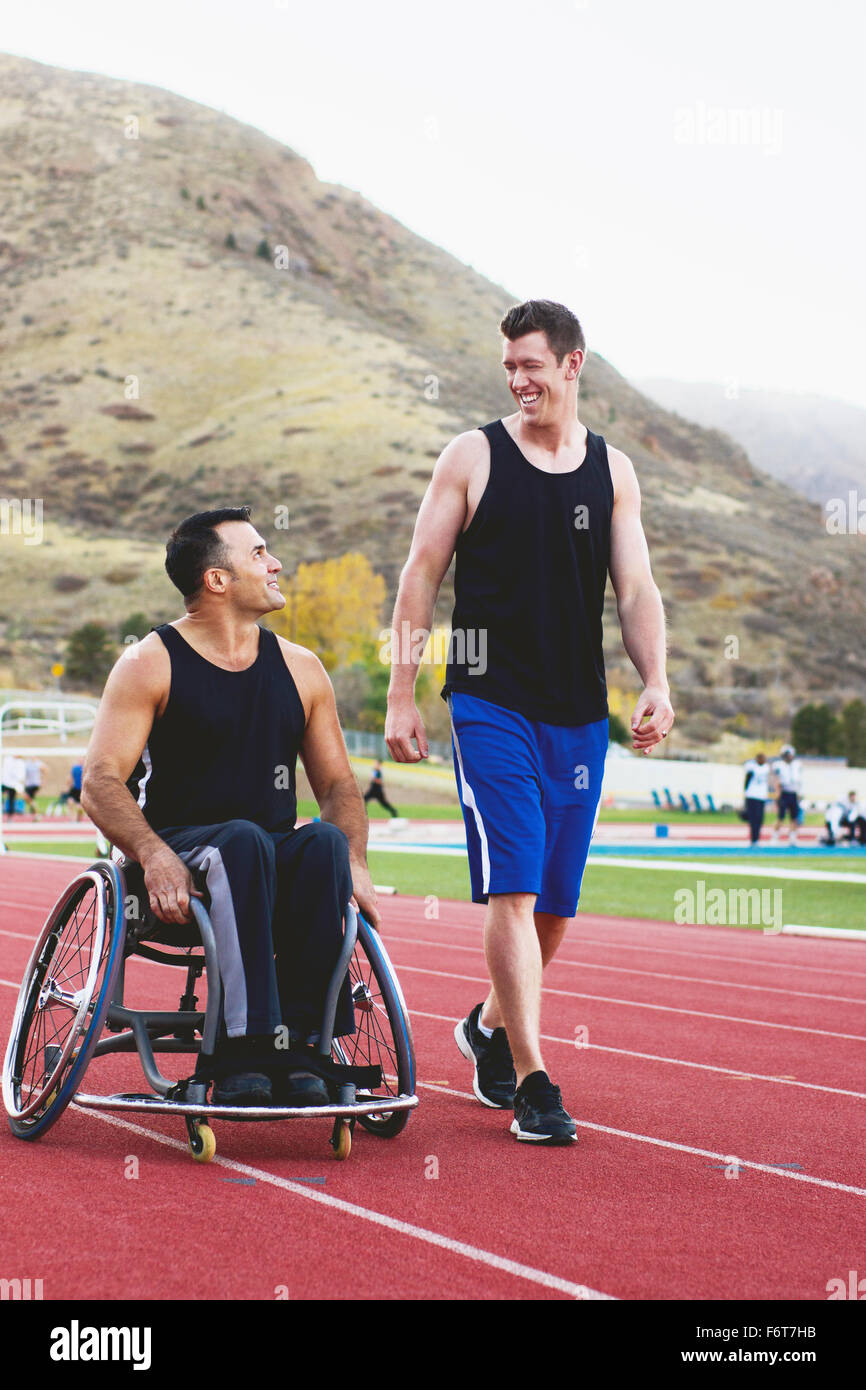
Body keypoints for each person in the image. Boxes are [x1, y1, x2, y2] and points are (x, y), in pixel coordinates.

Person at [385, 299, 673, 1145]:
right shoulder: (472, 456)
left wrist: (655, 679)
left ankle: (484, 1027)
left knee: (555, 907)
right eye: (509, 367)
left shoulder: (613, 472)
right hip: (487, 698)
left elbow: (638, 588)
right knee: (513, 884)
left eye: (532, 367)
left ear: (573, 365)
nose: (518, 382)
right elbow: (420, 573)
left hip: (579, 713)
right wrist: (404, 690)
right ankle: (535, 1079)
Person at [81, 506, 380, 1108]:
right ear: (217, 580)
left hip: (262, 856)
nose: (275, 564)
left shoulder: (301, 668)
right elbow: (100, 781)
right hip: (175, 854)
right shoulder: (149, 662)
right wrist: (153, 854)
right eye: (259, 553)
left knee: (321, 843)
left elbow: (340, 789)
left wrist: (357, 859)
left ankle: (306, 1047)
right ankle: (244, 1049)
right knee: (240, 840)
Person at [771, 745, 802, 846]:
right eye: (786, 755)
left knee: (794, 818)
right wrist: (778, 793)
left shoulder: (797, 765)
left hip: (793, 793)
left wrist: (799, 793)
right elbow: (776, 779)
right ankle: (775, 836)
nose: (788, 757)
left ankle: (792, 837)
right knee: (780, 817)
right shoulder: (779, 765)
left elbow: (799, 781)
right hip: (784, 792)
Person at [742, 751, 769, 846]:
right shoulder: (752, 767)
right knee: (753, 819)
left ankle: (756, 839)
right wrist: (745, 793)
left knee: (760, 819)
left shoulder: (766, 768)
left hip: (761, 796)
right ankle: (754, 839)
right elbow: (747, 780)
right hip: (752, 795)